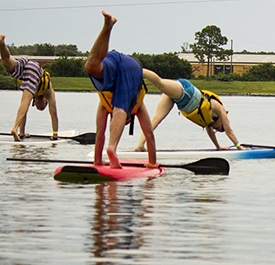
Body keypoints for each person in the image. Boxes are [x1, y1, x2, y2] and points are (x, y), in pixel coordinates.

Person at [85, 11, 157, 169]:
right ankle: (112, 148)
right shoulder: (137, 107)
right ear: (129, 119)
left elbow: (100, 133)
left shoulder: (105, 105)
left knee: (92, 67)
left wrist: (98, 161)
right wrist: (152, 163)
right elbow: (149, 135)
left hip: (123, 63)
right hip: (126, 64)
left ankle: (108, 26)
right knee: (92, 67)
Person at [134, 68, 243, 151]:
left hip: (179, 100)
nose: (214, 127)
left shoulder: (209, 124)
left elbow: (211, 133)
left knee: (157, 118)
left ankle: (139, 145)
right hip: (186, 92)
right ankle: (138, 69)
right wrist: (238, 146)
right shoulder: (219, 109)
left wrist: (218, 147)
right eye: (218, 127)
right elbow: (229, 131)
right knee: (160, 84)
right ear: (222, 121)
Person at [0, 34, 59, 142]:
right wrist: (55, 134)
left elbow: (24, 112)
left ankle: (2, 43)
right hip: (33, 68)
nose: (38, 107)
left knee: (6, 62)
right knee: (25, 101)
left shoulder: (37, 93)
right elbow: (53, 114)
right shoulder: (48, 92)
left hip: (25, 63)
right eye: (41, 108)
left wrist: (23, 134)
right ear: (45, 101)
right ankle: (14, 128)